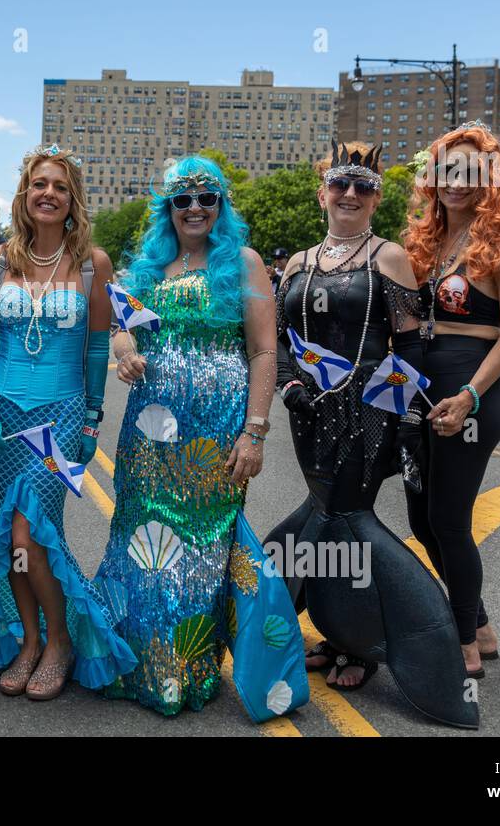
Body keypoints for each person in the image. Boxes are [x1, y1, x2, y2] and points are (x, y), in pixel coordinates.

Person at [267, 141, 478, 729]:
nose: (351, 194)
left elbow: (409, 347)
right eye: (340, 184)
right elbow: (281, 339)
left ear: (377, 197)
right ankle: (337, 634)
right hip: (306, 412)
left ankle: (368, 642)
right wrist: (289, 389)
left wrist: (402, 420)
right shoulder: (299, 262)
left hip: (367, 413)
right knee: (323, 512)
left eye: (363, 186)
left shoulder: (390, 259)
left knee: (346, 516)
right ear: (323, 193)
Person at [96, 156, 307, 720]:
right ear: (168, 207)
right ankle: (137, 662)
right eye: (182, 199)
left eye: (206, 197)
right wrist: (125, 353)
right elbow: (120, 328)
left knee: (206, 548)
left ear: (221, 205)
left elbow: (265, 350)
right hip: (148, 433)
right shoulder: (147, 266)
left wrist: (255, 433)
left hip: (215, 434)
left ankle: (184, 669)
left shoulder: (243, 262)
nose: (194, 208)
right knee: (141, 543)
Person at [0, 144, 135, 700]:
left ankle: (60, 639)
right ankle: (28, 641)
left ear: (72, 200)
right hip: (2, 417)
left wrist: (91, 422)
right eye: (39, 184)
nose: (48, 194)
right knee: (5, 533)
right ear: (24, 193)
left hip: (60, 416)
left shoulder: (94, 263)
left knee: (32, 532)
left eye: (60, 187)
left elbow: (94, 351)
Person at [403, 122, 500, 683]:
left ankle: (463, 645)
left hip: (471, 387)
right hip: (420, 386)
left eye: (470, 172)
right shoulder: (424, 240)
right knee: (419, 516)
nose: (457, 182)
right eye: (447, 171)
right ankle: (478, 622)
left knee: (448, 519)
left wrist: (471, 395)